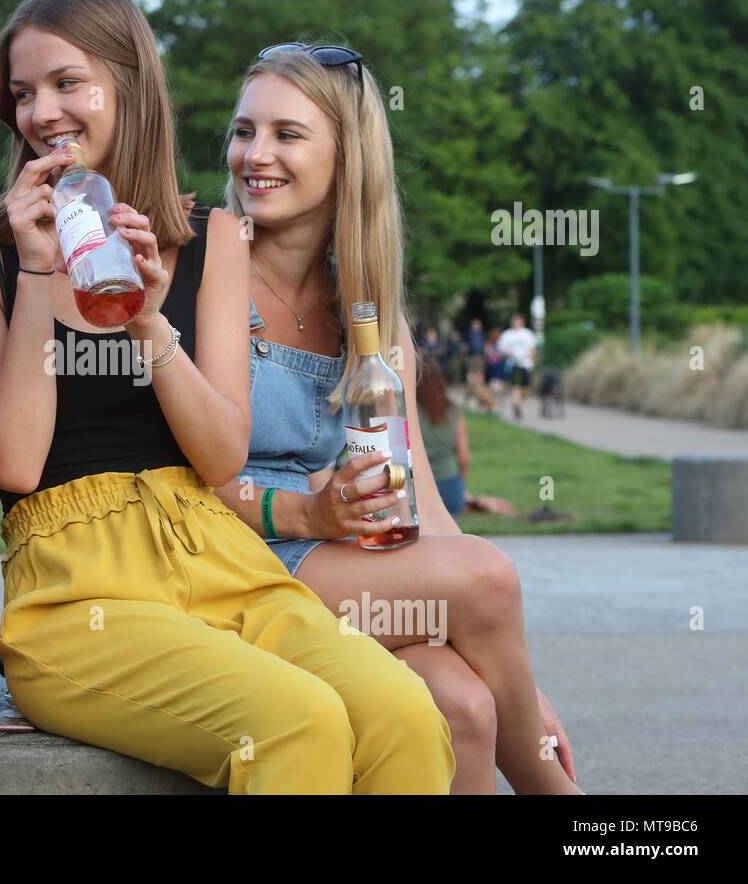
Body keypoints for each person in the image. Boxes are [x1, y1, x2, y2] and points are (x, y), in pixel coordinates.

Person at [0, 0, 454, 794]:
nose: (42, 112)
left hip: (218, 556)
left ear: (130, 86)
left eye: (67, 83)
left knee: (401, 713)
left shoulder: (212, 238)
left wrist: (151, 323)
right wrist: (41, 268)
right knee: (297, 721)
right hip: (77, 590)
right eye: (21, 93)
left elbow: (221, 455)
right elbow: (11, 461)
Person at [215, 43, 579, 794]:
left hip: (329, 561)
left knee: (469, 705)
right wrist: (492, 628)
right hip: (229, 555)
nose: (256, 154)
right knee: (489, 576)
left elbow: (420, 500)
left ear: (348, 158)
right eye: (245, 130)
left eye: (287, 134)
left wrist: (507, 671)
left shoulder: (367, 309)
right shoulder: (208, 273)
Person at [415, 357, 515, 518]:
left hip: (419, 487)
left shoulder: (410, 413)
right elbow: (464, 458)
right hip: (450, 486)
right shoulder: (453, 411)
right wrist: (461, 489)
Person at [497, 313, 538, 420]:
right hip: (512, 364)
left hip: (525, 364)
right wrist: (509, 354)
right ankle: (517, 406)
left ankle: (519, 401)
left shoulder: (527, 334)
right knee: (515, 386)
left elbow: (533, 349)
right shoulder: (507, 335)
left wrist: (527, 356)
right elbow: (501, 350)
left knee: (526, 389)